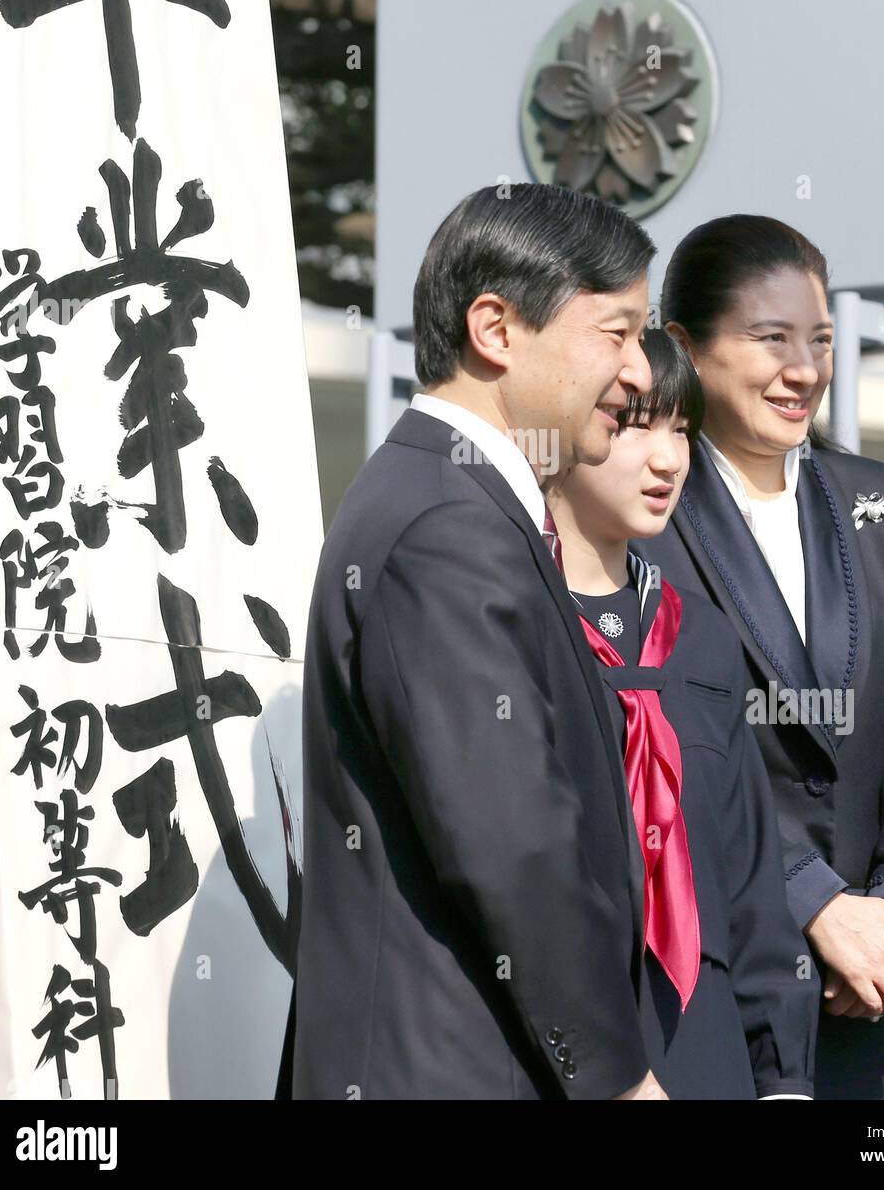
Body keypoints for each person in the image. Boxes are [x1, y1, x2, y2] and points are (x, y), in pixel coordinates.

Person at [276, 181, 670, 1100]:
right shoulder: (446, 525)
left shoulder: (458, 503)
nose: (642, 372)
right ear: (495, 329)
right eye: (614, 334)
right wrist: (616, 1076)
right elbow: (511, 839)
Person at [639, 215, 884, 1099]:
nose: (803, 370)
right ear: (682, 343)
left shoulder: (881, 502)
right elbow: (663, 747)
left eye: (819, 340)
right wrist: (810, 901)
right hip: (728, 974)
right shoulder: (641, 515)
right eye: (768, 338)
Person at [545, 327, 817, 1099]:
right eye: (636, 423)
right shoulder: (505, 628)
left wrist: (782, 1080)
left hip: (705, 1044)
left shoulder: (698, 638)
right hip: (562, 1053)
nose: (668, 459)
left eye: (683, 430)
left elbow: (750, 880)